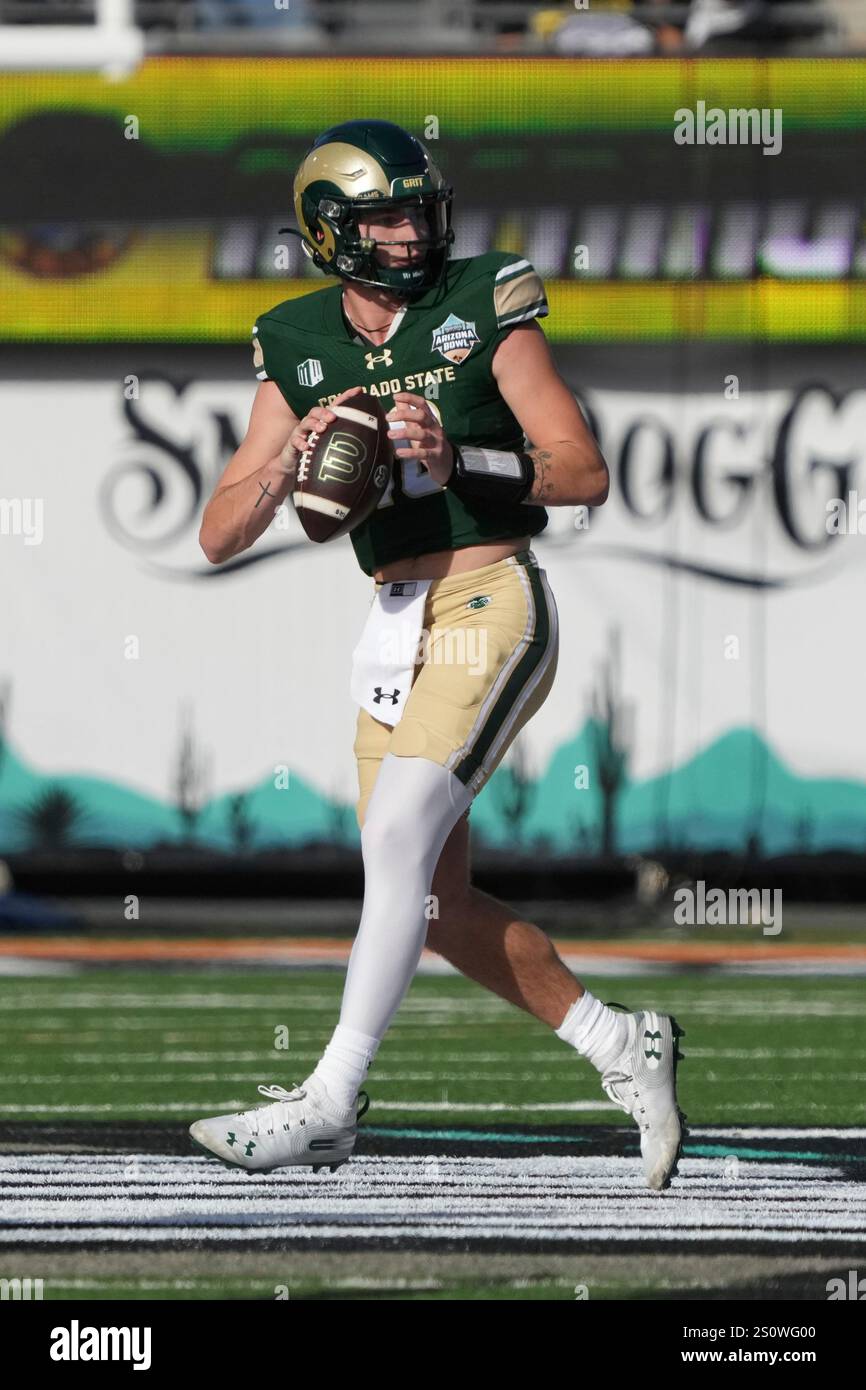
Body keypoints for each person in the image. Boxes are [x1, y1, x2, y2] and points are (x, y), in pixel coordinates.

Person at [190, 119, 686, 1190]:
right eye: (385, 216)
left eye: (419, 210)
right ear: (331, 232)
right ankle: (619, 1044)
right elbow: (217, 531)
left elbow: (581, 470)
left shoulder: (483, 302)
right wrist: (285, 466)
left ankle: (328, 1100)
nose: (412, 233)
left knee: (397, 833)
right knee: (432, 904)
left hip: (489, 597)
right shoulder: (296, 338)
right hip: (393, 617)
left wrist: (455, 453)